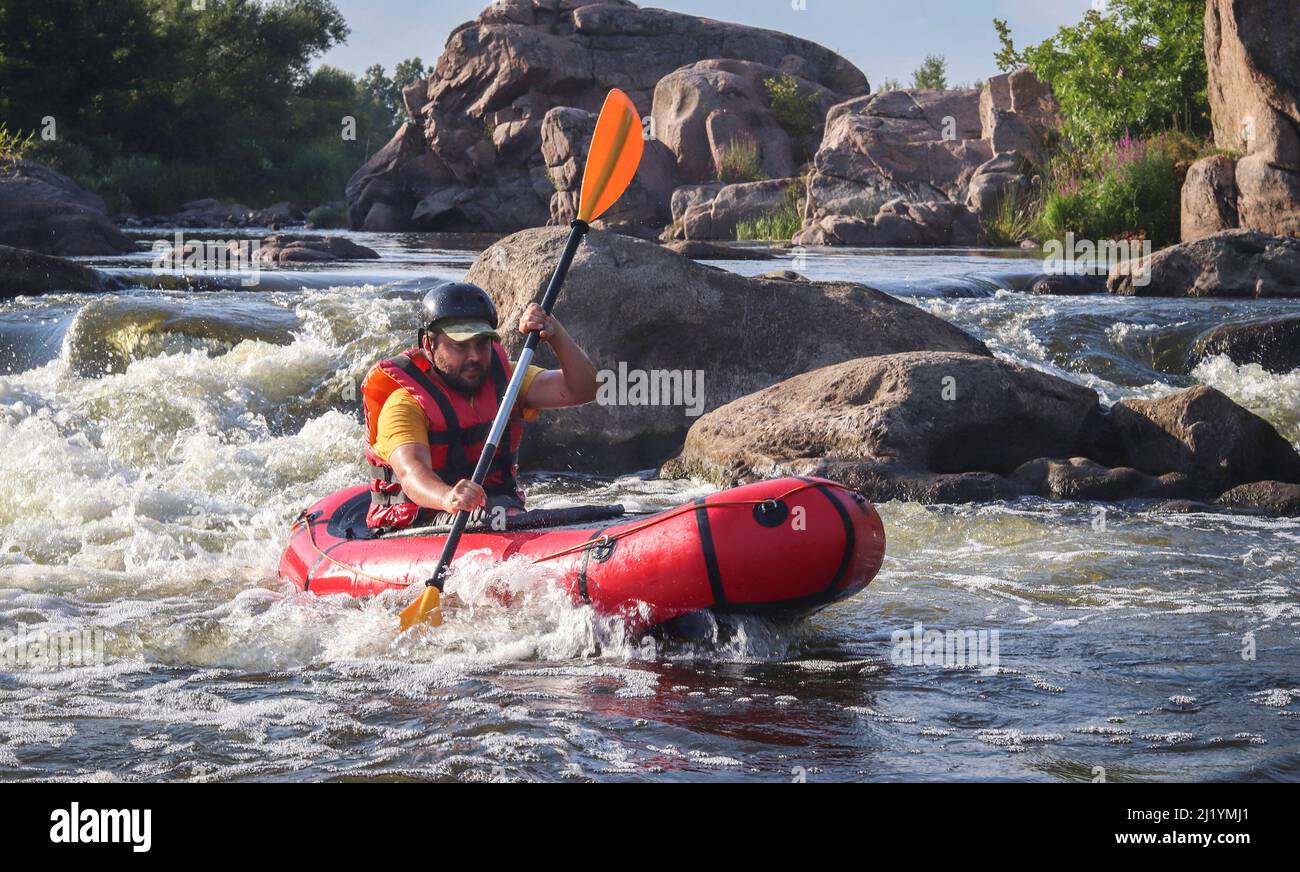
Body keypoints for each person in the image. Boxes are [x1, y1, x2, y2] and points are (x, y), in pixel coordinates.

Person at [360, 281, 598, 530]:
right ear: (428, 345)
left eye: (482, 344)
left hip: (496, 509)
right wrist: (448, 497)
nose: (474, 356)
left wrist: (555, 333)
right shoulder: (404, 404)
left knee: (501, 511)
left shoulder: (508, 381)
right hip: (420, 524)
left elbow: (584, 389)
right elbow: (412, 473)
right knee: (498, 513)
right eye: (460, 346)